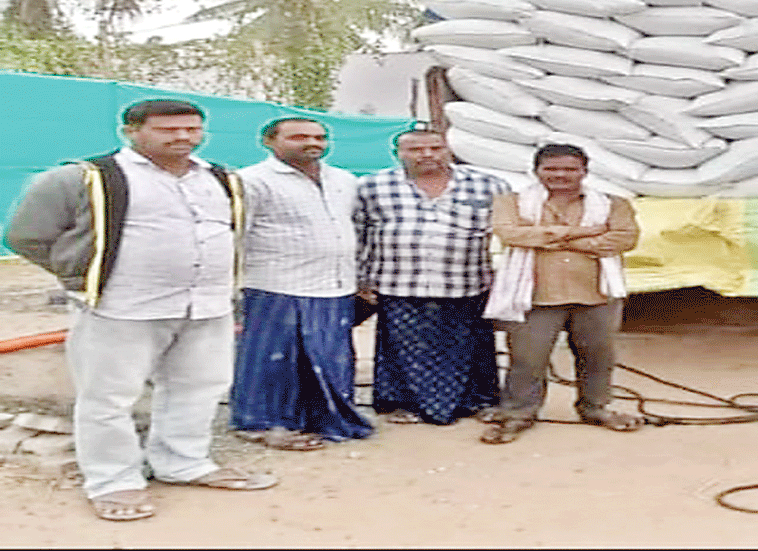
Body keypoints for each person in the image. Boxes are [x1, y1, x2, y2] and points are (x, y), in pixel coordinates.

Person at [4, 99, 276, 523]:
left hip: (206, 305)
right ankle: (113, 481)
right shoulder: (85, 177)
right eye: (168, 130)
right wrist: (81, 277)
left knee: (200, 387)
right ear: (131, 131)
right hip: (122, 307)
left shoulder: (222, 179)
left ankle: (184, 463)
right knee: (109, 398)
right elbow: (27, 236)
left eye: (192, 129)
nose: (183, 137)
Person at [479, 143, 641, 444]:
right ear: (536, 170)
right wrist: (585, 233)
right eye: (551, 168)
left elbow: (624, 238)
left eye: (569, 169)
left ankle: (596, 408)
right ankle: (517, 414)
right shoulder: (511, 202)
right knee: (527, 359)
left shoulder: (613, 204)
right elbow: (511, 234)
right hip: (533, 294)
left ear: (584, 171)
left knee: (597, 356)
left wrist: (546, 237)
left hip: (597, 293)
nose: (560, 175)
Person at [230, 117, 374, 449]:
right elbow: (237, 235)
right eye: (299, 137)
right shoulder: (250, 181)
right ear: (268, 141)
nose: (313, 143)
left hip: (335, 285)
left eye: (320, 137)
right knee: (270, 359)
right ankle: (261, 423)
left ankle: (327, 419)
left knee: (330, 358)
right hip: (274, 285)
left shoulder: (344, 180)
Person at [355, 122, 509, 424]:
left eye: (435, 148)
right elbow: (360, 234)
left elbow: (506, 234)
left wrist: (503, 281)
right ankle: (401, 403)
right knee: (404, 349)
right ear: (398, 153)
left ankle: (475, 402)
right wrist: (361, 279)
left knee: (467, 347)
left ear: (448, 149)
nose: (427, 155)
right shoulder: (372, 186)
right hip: (399, 283)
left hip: (466, 282)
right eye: (415, 149)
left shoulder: (488, 185)